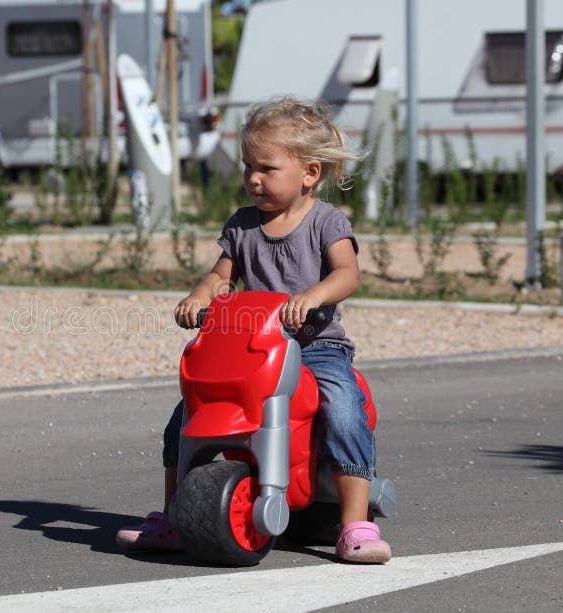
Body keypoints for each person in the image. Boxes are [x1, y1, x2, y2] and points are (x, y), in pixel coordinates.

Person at [116, 96, 392, 564]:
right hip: (252, 350)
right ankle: (175, 516)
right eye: (248, 167)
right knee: (184, 418)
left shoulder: (326, 222)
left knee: (345, 411)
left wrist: (314, 295)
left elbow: (348, 274)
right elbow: (220, 276)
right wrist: (200, 296)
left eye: (267, 168)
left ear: (309, 172)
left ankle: (355, 525)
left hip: (315, 349)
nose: (253, 178)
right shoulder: (243, 225)